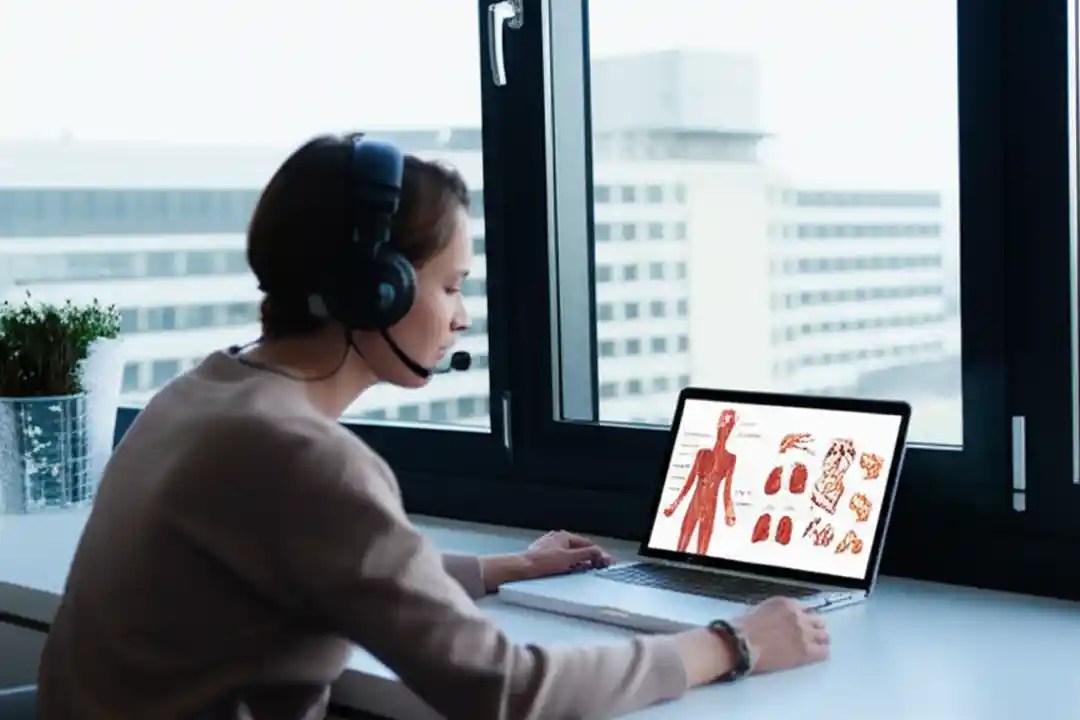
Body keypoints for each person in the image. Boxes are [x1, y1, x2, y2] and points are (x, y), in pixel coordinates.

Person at [36, 133, 829, 720]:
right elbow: (507, 689)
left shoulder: (203, 393)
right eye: (451, 285)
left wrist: (504, 569)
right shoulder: (300, 456)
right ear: (373, 287)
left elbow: (315, 559)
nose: (461, 316)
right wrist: (732, 643)